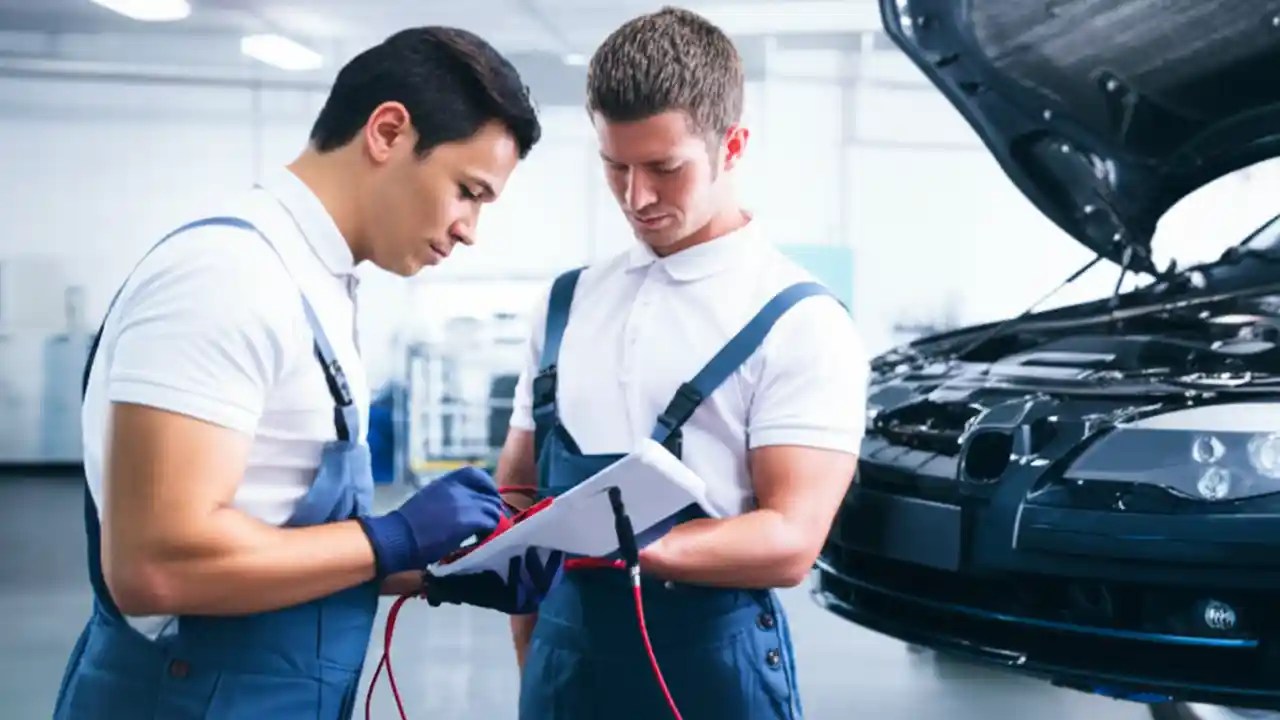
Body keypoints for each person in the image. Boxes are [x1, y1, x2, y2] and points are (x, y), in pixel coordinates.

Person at [52, 26, 541, 720]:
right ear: (388, 132)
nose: (469, 229)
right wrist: (390, 536)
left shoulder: (318, 282)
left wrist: (439, 571)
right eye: (468, 190)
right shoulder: (227, 278)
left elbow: (272, 530)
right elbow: (154, 568)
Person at [425, 6, 869, 719]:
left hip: (711, 671)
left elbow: (790, 540)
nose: (637, 197)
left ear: (733, 146)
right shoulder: (566, 303)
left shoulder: (801, 322)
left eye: (665, 168)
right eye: (615, 167)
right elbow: (522, 493)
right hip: (563, 665)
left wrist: (629, 549)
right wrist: (531, 659)